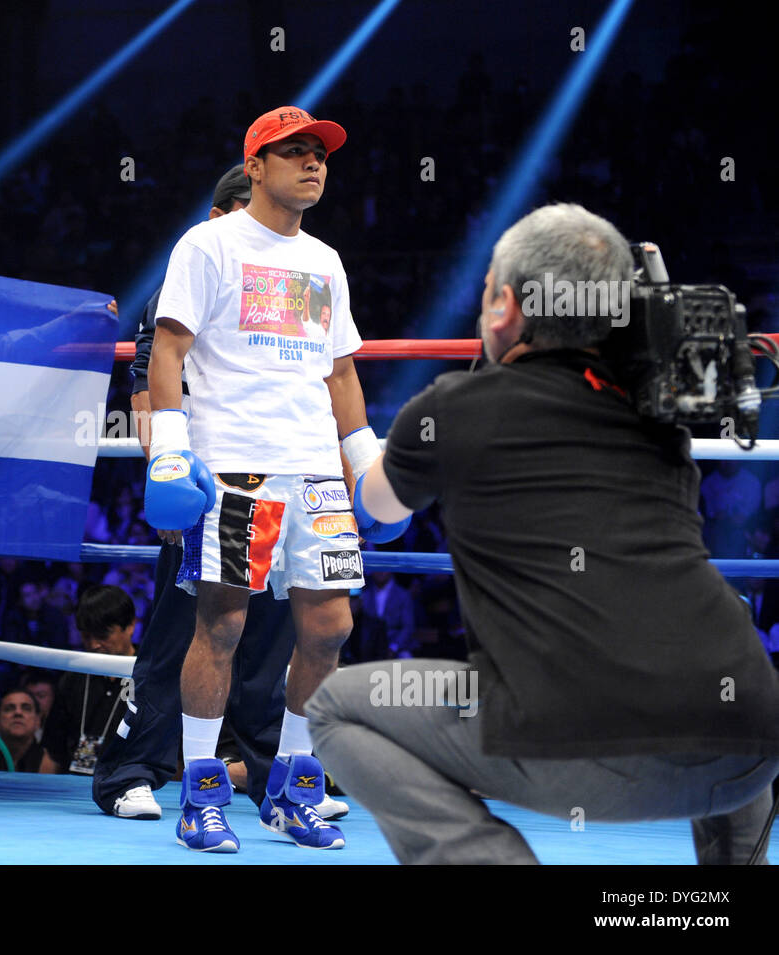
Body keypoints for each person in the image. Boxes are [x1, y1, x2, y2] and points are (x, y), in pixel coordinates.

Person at [308, 202, 779, 864]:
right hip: (750, 740)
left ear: (503, 306)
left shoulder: (453, 409)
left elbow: (380, 505)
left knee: (337, 707)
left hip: (592, 750)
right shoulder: (659, 420)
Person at [145, 107, 404, 852]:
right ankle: (200, 793)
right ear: (254, 167)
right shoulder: (209, 244)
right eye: (292, 153)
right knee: (221, 624)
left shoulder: (325, 260)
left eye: (318, 154)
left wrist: (365, 460)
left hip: (316, 467)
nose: (312, 164)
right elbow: (168, 348)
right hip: (236, 460)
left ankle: (292, 788)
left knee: (331, 628)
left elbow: (341, 369)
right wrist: (169, 446)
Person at [93, 163, 346, 825]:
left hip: (289, 482)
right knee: (187, 637)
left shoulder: (306, 269)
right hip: (209, 484)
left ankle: (275, 781)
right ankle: (129, 772)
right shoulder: (197, 273)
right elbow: (149, 386)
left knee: (264, 643)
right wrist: (170, 475)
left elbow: (332, 372)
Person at [39, 585, 136, 775]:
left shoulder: (152, 677)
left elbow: (174, 754)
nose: (93, 645)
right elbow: (53, 752)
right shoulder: (73, 676)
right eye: (86, 636)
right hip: (73, 788)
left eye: (102, 635)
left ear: (130, 626)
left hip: (133, 789)